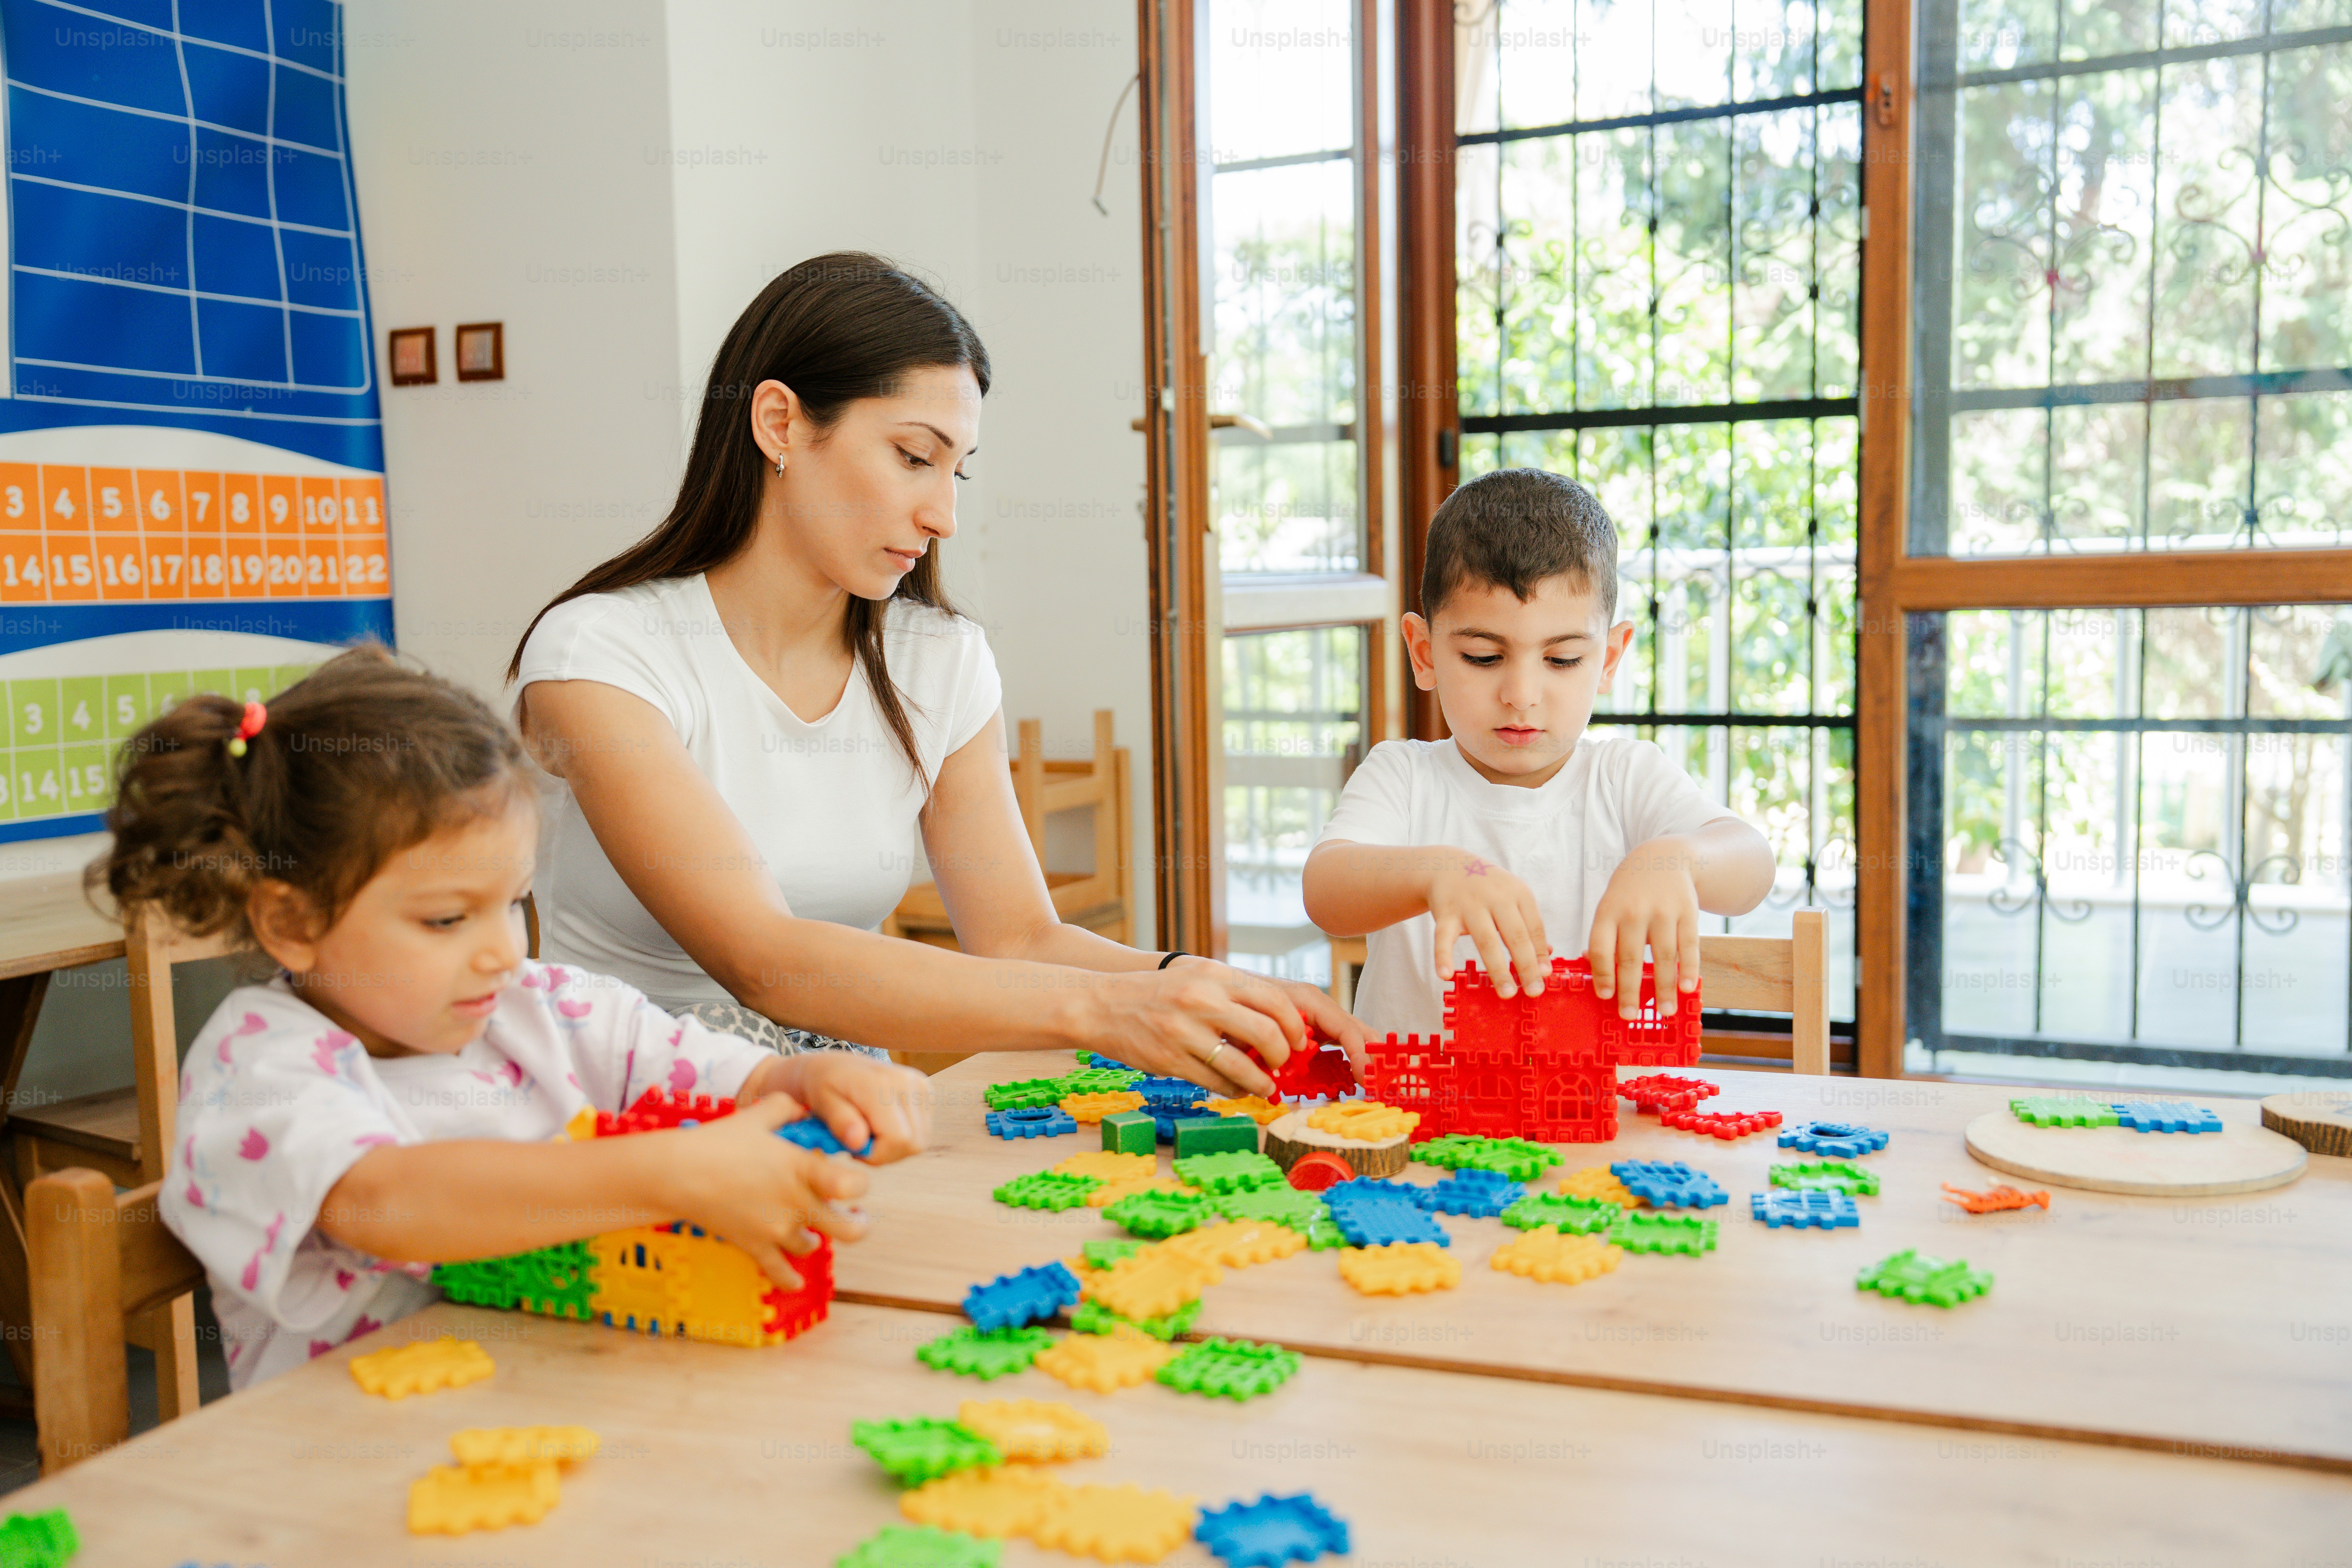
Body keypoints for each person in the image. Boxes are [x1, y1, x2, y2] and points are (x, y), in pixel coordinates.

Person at [508, 252, 1360, 1094]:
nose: (944, 514)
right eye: (915, 456)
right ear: (779, 424)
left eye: (959, 470)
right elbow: (764, 960)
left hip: (844, 1114)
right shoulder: (600, 656)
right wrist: (1110, 1010)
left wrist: (1204, 982)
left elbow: (1022, 939)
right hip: (618, 1128)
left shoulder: (937, 660)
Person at [103, 649, 926, 1389]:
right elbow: (386, 1204)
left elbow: (702, 1065)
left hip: (553, 1406)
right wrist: (674, 1171)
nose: (501, 951)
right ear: (293, 923)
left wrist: (805, 1076)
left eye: (510, 904)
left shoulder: (536, 1007)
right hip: (338, 1476)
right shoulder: (262, 1067)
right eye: (445, 919)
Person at [1302, 468, 1777, 1039]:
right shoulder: (1403, 777)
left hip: (1595, 1118)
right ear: (1424, 653)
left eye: (1562, 660)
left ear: (1608, 659)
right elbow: (1326, 891)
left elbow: (1752, 864)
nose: (1521, 696)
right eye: (1483, 657)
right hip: (1421, 1120)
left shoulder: (1625, 778)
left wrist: (1675, 859)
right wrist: (1436, 871)